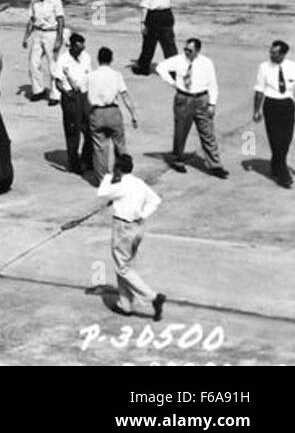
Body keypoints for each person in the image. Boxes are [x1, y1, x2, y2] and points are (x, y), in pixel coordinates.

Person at [96, 153, 166, 320]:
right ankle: (125, 304)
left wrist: (108, 176)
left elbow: (102, 192)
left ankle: (153, 297)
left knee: (123, 268)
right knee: (127, 266)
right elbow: (155, 200)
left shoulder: (121, 185)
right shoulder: (139, 183)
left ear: (118, 169)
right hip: (138, 226)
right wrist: (142, 214)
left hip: (123, 227)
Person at [157, 38, 227, 178]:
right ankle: (177, 159)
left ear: (198, 51)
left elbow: (213, 84)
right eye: (185, 49)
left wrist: (212, 103)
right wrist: (172, 83)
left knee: (207, 132)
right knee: (181, 131)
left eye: (190, 50)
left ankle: (215, 165)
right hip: (184, 99)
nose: (187, 52)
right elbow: (160, 68)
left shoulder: (206, 63)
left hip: (202, 99)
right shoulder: (178, 60)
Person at [85, 47, 138, 177]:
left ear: (98, 59)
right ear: (111, 59)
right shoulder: (116, 75)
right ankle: (122, 174)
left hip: (97, 113)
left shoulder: (90, 75)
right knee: (120, 145)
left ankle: (103, 179)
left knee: (100, 148)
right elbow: (125, 96)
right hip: (113, 113)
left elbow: (81, 91)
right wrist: (133, 115)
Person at [253, 39, 295, 188]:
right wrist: (256, 111)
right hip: (271, 105)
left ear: (283, 54)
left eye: (275, 53)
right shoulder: (263, 67)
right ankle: (283, 174)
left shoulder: (293, 67)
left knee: (286, 139)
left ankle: (275, 163)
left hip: (287, 105)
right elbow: (259, 90)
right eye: (271, 52)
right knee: (275, 139)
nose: (271, 56)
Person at [53, 32, 94, 174]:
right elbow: (58, 82)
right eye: (79, 46)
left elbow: (90, 76)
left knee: (89, 130)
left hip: (85, 96)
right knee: (73, 132)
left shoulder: (86, 57)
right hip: (71, 98)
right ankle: (74, 163)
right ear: (72, 46)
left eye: (83, 45)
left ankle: (87, 159)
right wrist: (66, 93)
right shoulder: (63, 59)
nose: (82, 48)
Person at [22, 0, 64, 101]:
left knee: (53, 65)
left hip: (51, 33)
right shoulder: (34, 2)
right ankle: (38, 90)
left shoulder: (55, 2)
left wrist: (59, 39)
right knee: (33, 63)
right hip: (38, 33)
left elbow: (61, 21)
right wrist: (26, 37)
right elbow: (31, 20)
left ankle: (55, 94)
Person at [133, 0, 176, 75]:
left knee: (149, 44)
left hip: (154, 16)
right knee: (169, 45)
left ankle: (143, 67)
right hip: (167, 14)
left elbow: (145, 4)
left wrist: (142, 22)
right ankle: (175, 70)